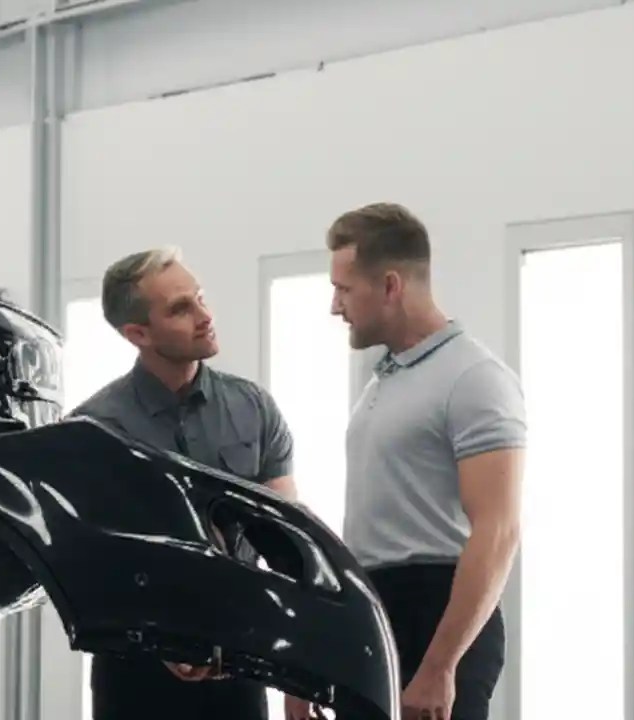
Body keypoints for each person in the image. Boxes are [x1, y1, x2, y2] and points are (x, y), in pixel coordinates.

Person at [309, 202, 526, 720]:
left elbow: (498, 531)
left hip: (434, 613)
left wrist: (440, 665)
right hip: (375, 610)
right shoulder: (385, 378)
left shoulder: (474, 378)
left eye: (343, 290)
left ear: (390, 286)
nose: (335, 307)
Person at [71, 246, 306, 720]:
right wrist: (158, 637)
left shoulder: (254, 408)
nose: (205, 316)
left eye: (200, 298)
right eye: (181, 308)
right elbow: (87, 565)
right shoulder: (91, 429)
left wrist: (298, 667)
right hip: (134, 671)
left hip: (238, 658)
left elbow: (289, 545)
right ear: (137, 333)